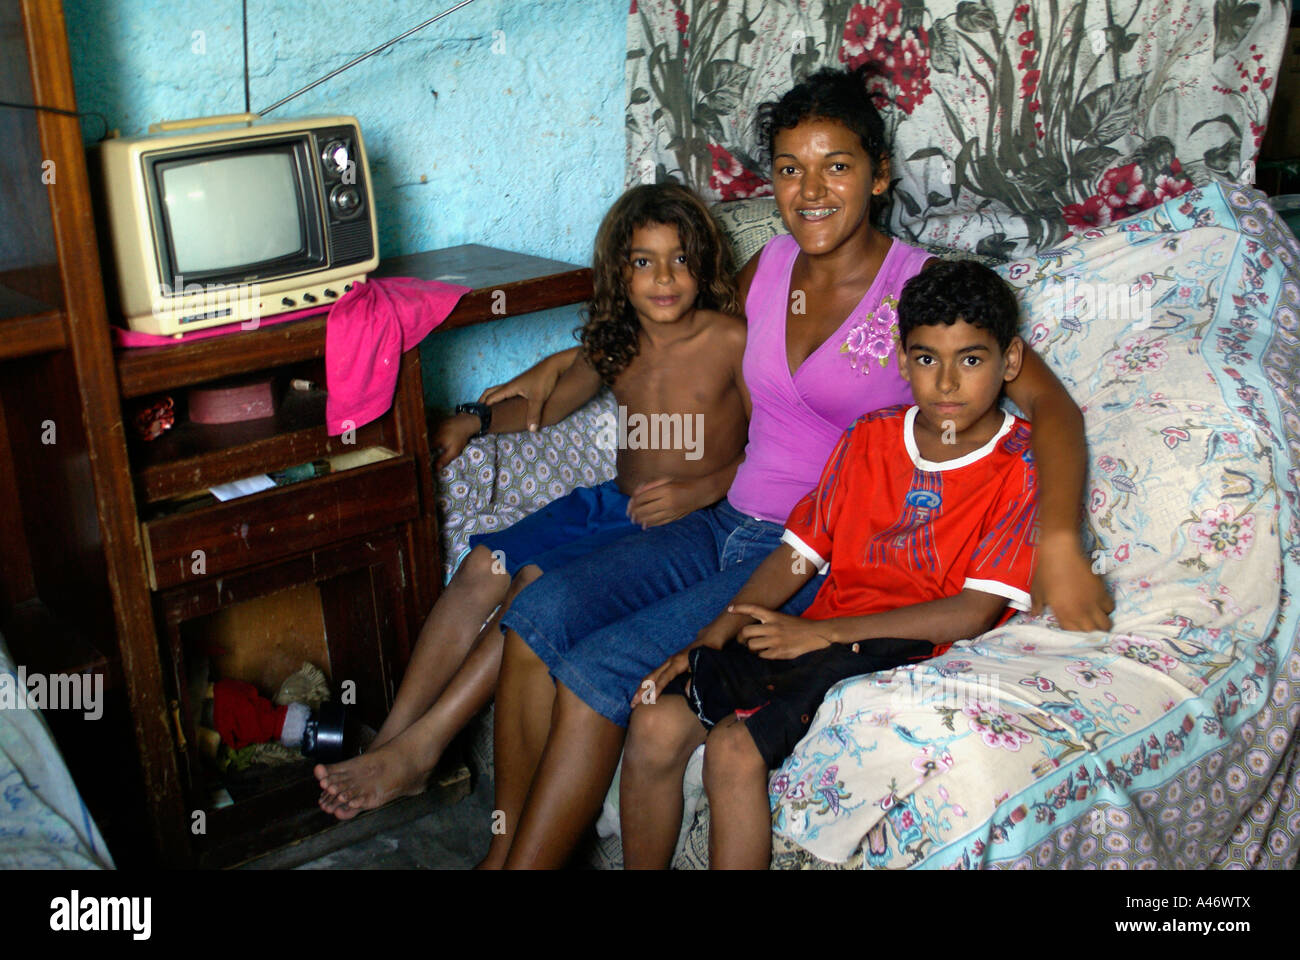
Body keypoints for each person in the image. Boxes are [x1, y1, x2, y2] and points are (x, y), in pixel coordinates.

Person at [482, 67, 1113, 870]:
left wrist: (1058, 540)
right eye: (789, 168)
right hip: (722, 521)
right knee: (543, 614)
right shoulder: (771, 267)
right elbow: (676, 337)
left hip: (807, 553)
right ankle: (501, 854)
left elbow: (1050, 408)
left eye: (837, 166)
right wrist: (560, 368)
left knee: (597, 671)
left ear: (879, 174)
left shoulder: (922, 293)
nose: (811, 190)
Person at [314, 182, 749, 818]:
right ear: (619, 273)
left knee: (530, 586)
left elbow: (778, 446)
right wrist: (476, 421)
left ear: (702, 266)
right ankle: (392, 738)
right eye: (643, 261)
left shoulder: (731, 340)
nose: (663, 278)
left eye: (680, 259)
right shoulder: (617, 342)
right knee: (482, 567)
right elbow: (555, 402)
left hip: (680, 521)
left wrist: (705, 487)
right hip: (611, 501)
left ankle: (423, 750)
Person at [621, 258, 1037, 869]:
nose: (947, 382)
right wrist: (709, 640)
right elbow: (796, 557)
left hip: (905, 651)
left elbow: (974, 612)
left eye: (971, 359)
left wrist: (818, 633)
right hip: (822, 634)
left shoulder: (1019, 465)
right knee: (654, 719)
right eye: (926, 359)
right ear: (902, 362)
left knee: (735, 748)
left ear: (1011, 361)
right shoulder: (869, 438)